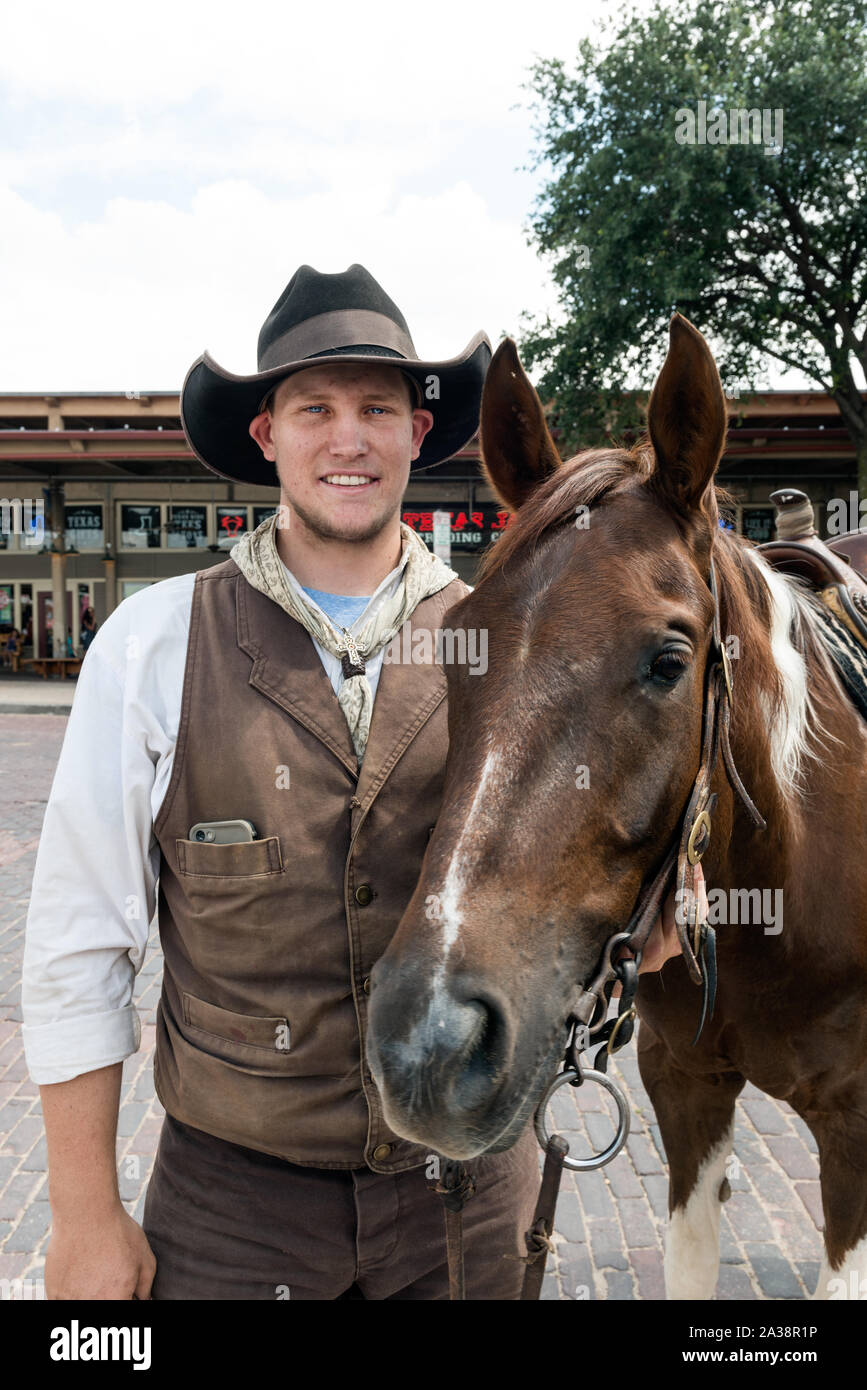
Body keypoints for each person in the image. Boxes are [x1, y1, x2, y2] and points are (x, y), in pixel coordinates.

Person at [22, 263, 686, 1301]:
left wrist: (651, 903)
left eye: (379, 407)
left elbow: (596, 832)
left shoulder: (503, 643)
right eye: (315, 408)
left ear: (419, 433)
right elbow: (78, 946)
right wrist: (84, 1215)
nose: (349, 439)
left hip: (465, 1204)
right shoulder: (152, 646)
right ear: (267, 435)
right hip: (234, 1215)